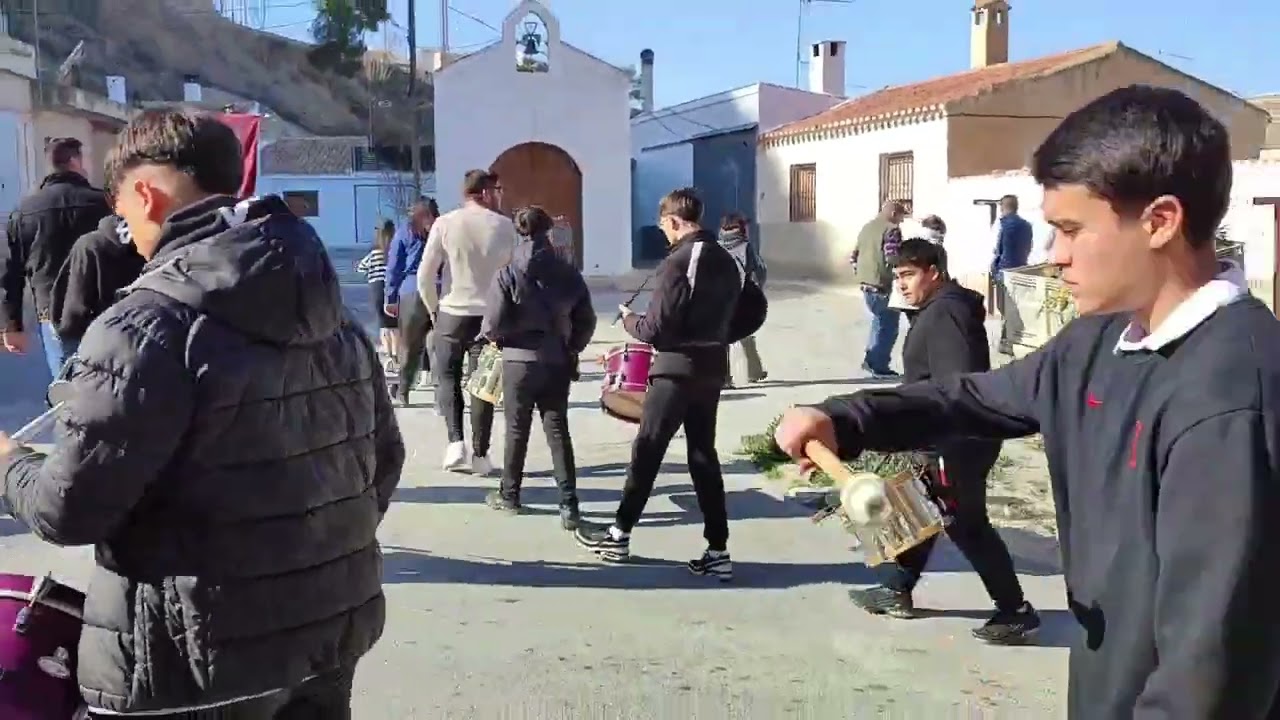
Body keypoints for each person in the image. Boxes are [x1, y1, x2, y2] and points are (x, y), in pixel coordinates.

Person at [773, 86, 1280, 718]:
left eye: (1071, 230)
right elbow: (974, 397)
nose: (1053, 255)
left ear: (1160, 221)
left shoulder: (1232, 396)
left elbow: (1213, 667)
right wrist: (845, 418)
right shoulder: (1099, 339)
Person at [0, 109, 405, 717]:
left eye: (122, 211)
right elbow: (383, 461)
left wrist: (10, 464)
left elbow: (69, 508)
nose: (126, 232)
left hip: (188, 662)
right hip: (325, 635)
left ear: (145, 194)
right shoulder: (330, 310)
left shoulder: (143, 325)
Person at [849, 238, 1041, 643]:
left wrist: (939, 440)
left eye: (909, 275)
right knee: (923, 507)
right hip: (943, 434)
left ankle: (1015, 610)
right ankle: (896, 588)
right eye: (897, 277)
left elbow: (956, 384)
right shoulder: (937, 309)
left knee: (965, 523)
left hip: (957, 437)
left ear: (934, 272)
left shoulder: (947, 313)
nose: (901, 284)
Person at [575, 188, 742, 580]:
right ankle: (718, 550)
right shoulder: (727, 259)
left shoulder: (678, 261)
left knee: (648, 449)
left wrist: (628, 320)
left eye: (664, 226)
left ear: (673, 221)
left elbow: (654, 328)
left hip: (675, 369)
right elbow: (752, 311)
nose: (664, 232)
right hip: (711, 367)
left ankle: (619, 535)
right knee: (703, 456)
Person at [481, 206, 596, 529]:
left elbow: (492, 325)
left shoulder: (507, 273)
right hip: (557, 358)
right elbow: (586, 319)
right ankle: (569, 504)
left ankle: (510, 494)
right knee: (557, 429)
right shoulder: (568, 273)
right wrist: (572, 346)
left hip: (518, 361)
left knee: (516, 429)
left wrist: (504, 339)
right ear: (549, 231)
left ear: (519, 232)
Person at [418, 170, 518, 475]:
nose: (498, 195)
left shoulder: (445, 223)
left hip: (452, 311)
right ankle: (480, 454)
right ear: (485, 193)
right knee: (483, 386)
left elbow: (425, 275)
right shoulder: (505, 226)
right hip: (491, 315)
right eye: (496, 190)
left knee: (448, 377)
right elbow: (515, 276)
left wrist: (434, 310)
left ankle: (454, 443)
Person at [1, 137, 111, 375]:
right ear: (74, 161)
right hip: (103, 309)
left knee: (66, 386)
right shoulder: (104, 203)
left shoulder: (25, 211)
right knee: (110, 381)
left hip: (53, 313)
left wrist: (12, 324)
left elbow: (12, 272)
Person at [48, 214, 145, 347]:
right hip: (148, 336)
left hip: (101, 340)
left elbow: (76, 303)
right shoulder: (154, 242)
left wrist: (65, 330)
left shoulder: (89, 244)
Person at [385, 198, 439, 404]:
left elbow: (394, 266)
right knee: (439, 345)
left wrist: (390, 297)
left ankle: (403, 391)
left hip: (412, 289)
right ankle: (442, 397)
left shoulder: (404, 232)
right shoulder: (443, 230)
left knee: (409, 346)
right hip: (440, 288)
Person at [851, 200, 905, 378]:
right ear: (893, 214)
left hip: (866, 284)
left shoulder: (867, 228)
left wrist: (862, 273)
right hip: (882, 284)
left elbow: (853, 256)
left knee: (879, 321)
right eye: (901, 217)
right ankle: (879, 366)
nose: (901, 221)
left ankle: (870, 360)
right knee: (888, 327)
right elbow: (892, 257)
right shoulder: (891, 230)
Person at [718, 212, 768, 388]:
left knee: (722, 338)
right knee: (745, 332)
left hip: (720, 297)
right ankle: (754, 372)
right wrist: (758, 290)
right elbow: (759, 269)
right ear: (740, 227)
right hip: (741, 295)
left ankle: (724, 379)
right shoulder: (746, 246)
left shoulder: (716, 246)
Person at [992, 194, 1033, 350]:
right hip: (1021, 268)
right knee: (1014, 307)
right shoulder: (1026, 225)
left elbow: (1000, 250)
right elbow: (1028, 247)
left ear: (1002, 207)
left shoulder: (1005, 225)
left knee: (1005, 307)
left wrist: (995, 269)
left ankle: (1008, 341)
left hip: (1005, 270)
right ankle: (1007, 340)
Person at [358, 219, 399, 372]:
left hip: (376, 288)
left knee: (383, 325)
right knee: (394, 324)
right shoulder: (394, 251)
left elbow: (361, 267)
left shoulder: (374, 253)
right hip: (392, 288)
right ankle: (396, 357)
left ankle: (388, 357)